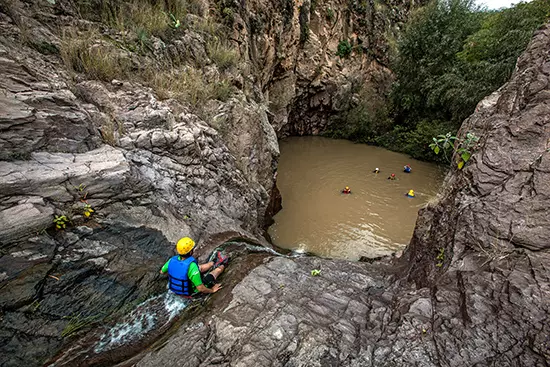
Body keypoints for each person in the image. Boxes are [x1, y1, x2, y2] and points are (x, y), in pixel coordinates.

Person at [160, 237, 228, 297]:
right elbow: (200, 288)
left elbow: (162, 271)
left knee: (198, 268)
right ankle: (222, 263)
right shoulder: (192, 267)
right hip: (190, 292)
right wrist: (212, 290)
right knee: (218, 270)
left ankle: (213, 262)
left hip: (175, 289)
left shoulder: (171, 260)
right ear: (190, 252)